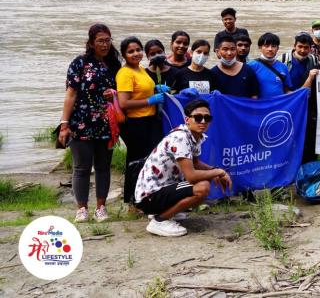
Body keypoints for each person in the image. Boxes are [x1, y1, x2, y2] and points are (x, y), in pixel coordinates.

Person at [134, 99, 232, 237]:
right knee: (202, 187)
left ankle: (167, 211)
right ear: (187, 119)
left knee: (205, 179)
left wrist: (213, 170)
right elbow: (191, 176)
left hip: (161, 190)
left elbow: (196, 163)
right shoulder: (180, 138)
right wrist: (219, 172)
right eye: (198, 117)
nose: (203, 121)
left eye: (207, 118)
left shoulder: (194, 136)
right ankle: (159, 220)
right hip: (149, 196)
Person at [59, 24, 121, 223]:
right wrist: (64, 124)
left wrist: (114, 95)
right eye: (100, 41)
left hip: (106, 122)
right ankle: (82, 209)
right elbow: (70, 94)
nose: (105, 44)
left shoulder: (114, 64)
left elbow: (124, 93)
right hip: (81, 122)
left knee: (103, 167)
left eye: (107, 40)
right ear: (91, 43)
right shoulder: (80, 63)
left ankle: (101, 208)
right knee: (81, 168)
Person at [116, 36, 167, 205]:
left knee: (149, 161)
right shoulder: (125, 73)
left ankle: (146, 197)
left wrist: (155, 89)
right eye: (131, 51)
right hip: (136, 124)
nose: (136, 53)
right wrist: (151, 100)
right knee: (136, 162)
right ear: (124, 55)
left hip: (149, 121)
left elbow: (142, 90)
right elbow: (124, 103)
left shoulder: (140, 69)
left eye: (138, 50)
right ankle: (132, 201)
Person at [249, 32, 289, 98]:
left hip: (279, 106)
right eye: (266, 46)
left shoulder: (283, 67)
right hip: (259, 106)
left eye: (273, 46)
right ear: (260, 47)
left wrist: (299, 95)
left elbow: (287, 90)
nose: (270, 49)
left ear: (278, 48)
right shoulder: (251, 66)